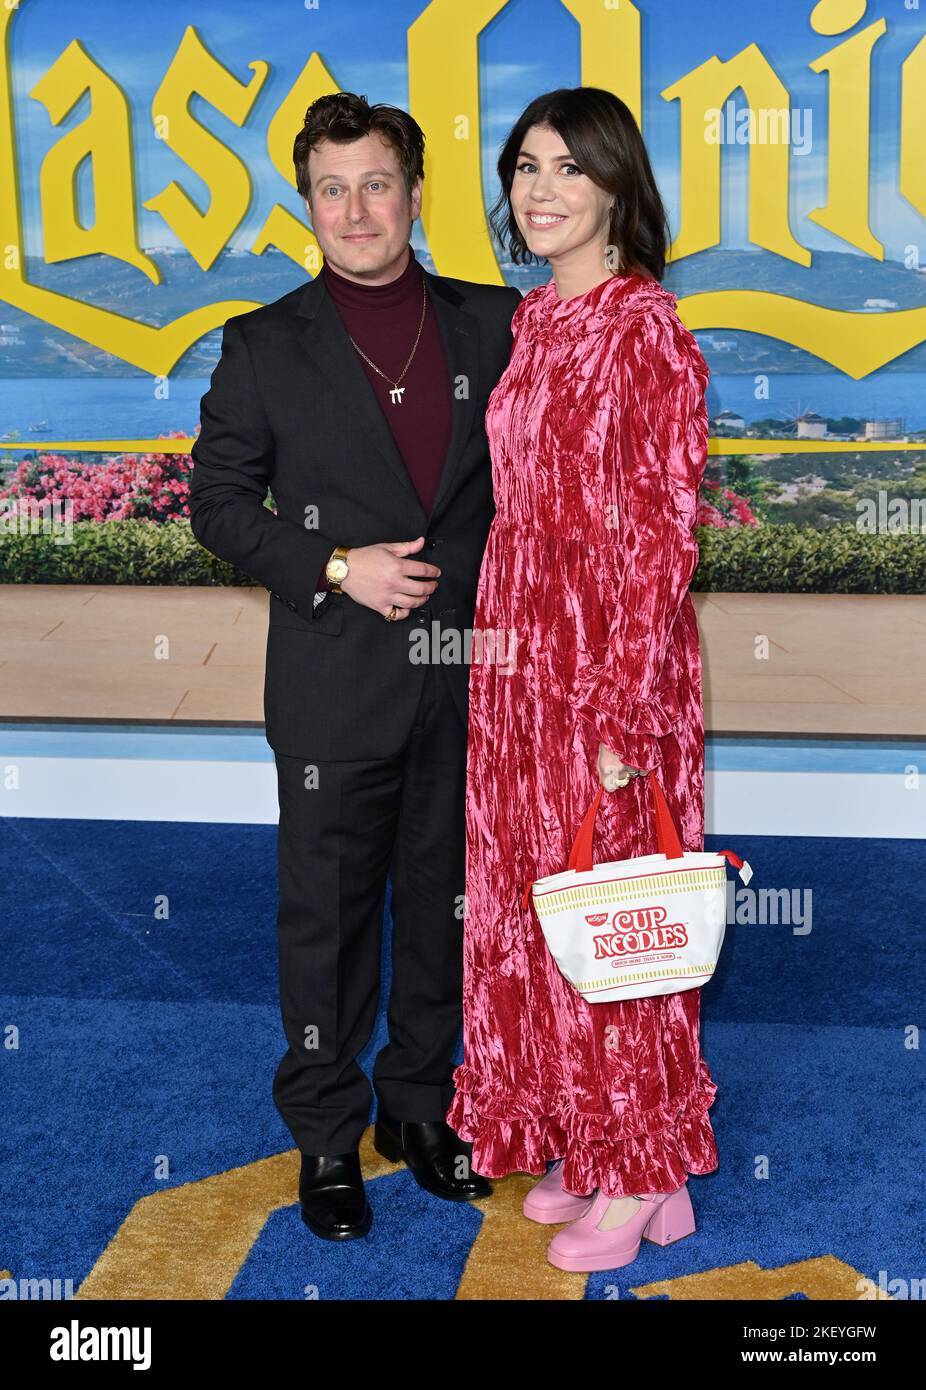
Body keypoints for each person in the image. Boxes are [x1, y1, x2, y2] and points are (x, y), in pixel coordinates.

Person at [189, 92, 520, 1241]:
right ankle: (326, 1136)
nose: (354, 209)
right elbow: (218, 506)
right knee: (324, 920)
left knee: (445, 905)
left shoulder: (495, 325)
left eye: (375, 183)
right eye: (330, 188)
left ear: (415, 193)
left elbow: (528, 494)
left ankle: (419, 1108)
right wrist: (335, 563)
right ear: (306, 202)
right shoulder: (265, 342)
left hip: (468, 668)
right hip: (334, 680)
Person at [446, 86, 718, 1273]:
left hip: (608, 658)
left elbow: (657, 531)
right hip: (517, 651)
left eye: (566, 167)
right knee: (541, 904)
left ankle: (649, 1168)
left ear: (615, 188)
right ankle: (589, 1138)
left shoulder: (641, 326)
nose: (540, 188)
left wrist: (620, 705)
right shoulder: (534, 323)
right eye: (524, 167)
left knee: (625, 907)